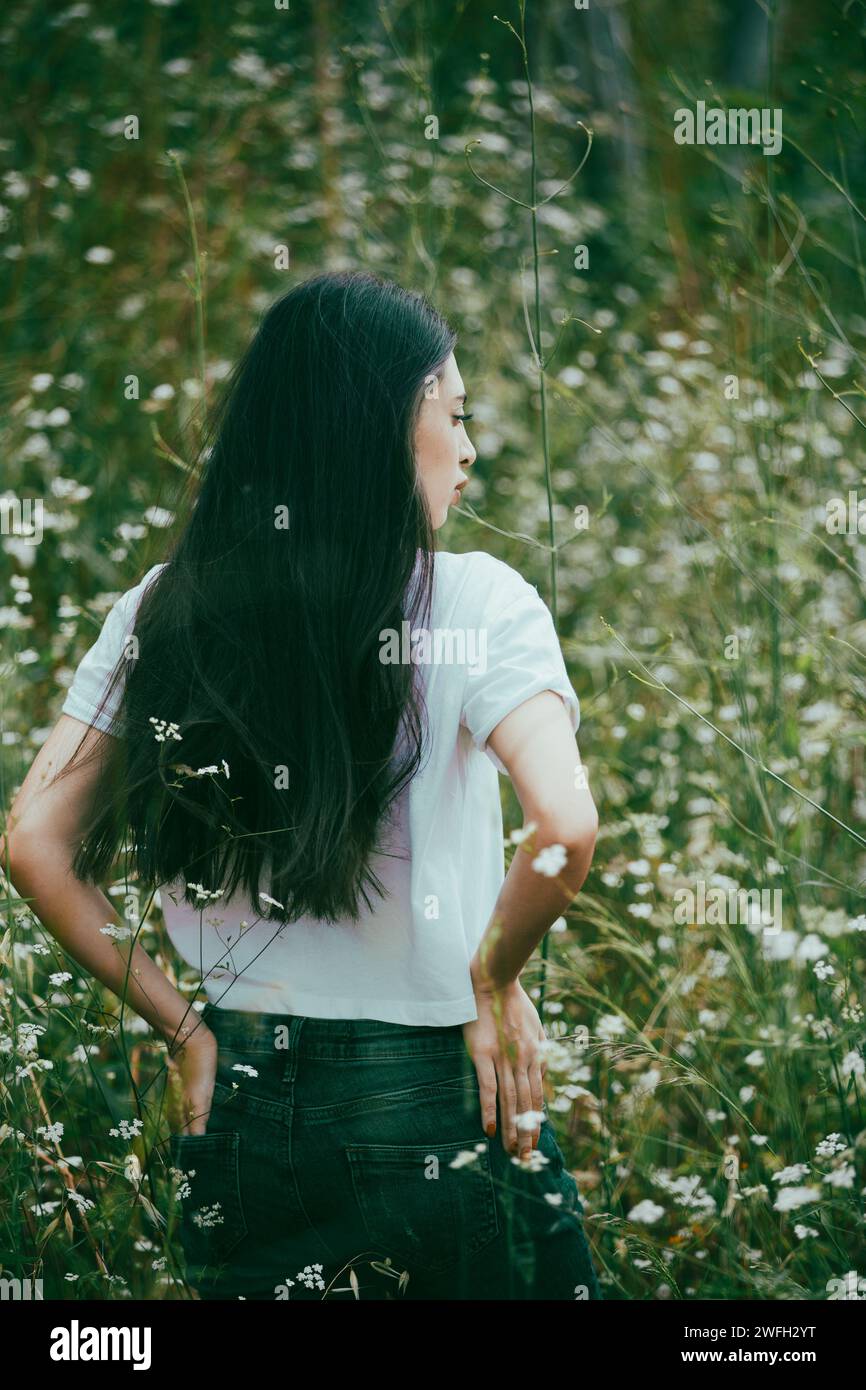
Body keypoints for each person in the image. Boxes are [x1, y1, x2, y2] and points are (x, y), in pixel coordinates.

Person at [2, 270, 602, 1301]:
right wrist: (493, 983)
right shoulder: (474, 599)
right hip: (428, 1099)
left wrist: (183, 1028)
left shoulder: (163, 609)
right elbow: (565, 828)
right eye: (451, 414)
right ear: (374, 429)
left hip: (239, 1107)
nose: (468, 450)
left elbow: (31, 843)